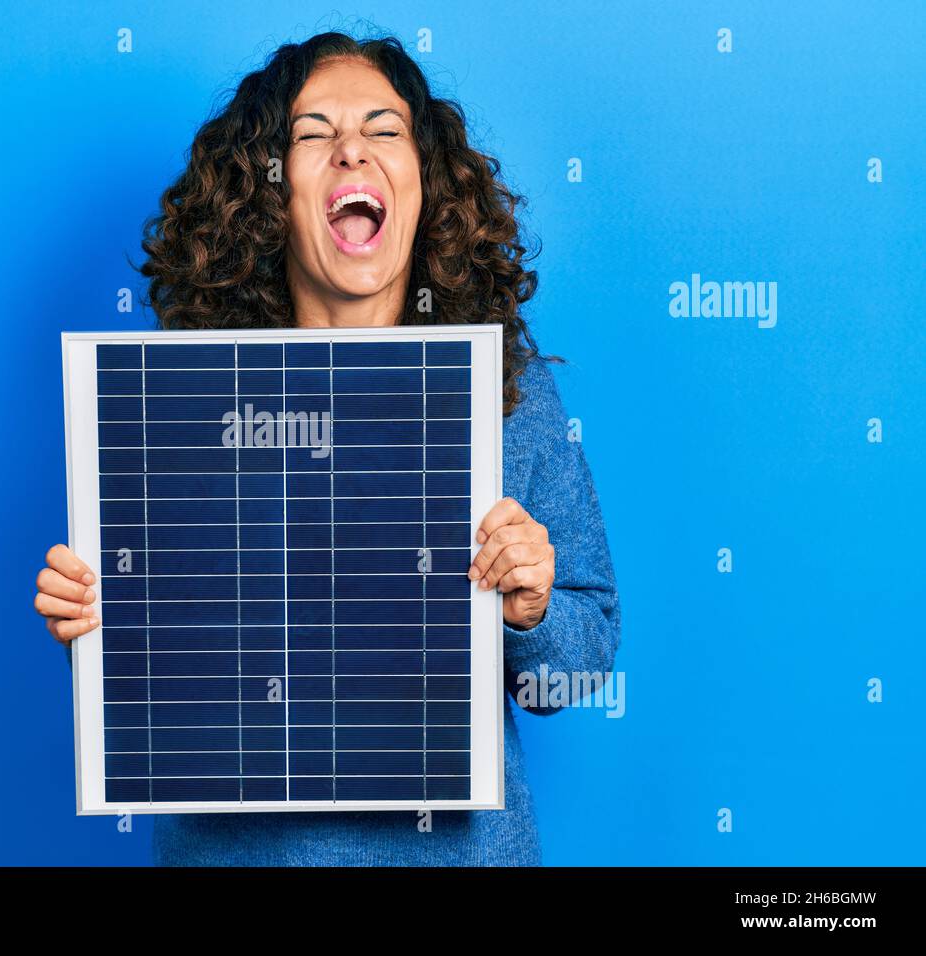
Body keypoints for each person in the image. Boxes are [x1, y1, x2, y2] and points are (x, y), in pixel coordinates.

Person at [34, 32, 620, 865]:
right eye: (312, 135)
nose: (352, 149)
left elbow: (587, 653)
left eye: (385, 132)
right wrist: (94, 626)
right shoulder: (178, 401)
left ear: (426, 184)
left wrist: (531, 610)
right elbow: (163, 684)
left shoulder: (504, 389)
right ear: (267, 193)